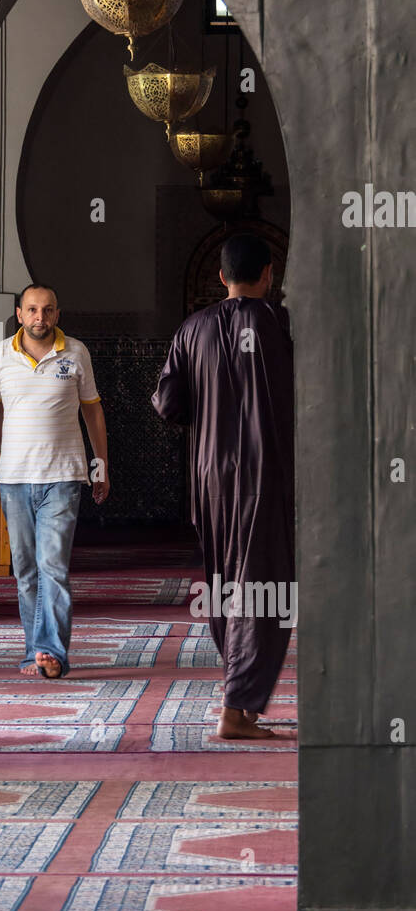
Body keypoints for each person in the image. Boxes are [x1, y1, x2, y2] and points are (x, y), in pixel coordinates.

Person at [152, 233, 294, 740]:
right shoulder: (280, 325)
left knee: (226, 585)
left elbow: (168, 404)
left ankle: (241, 699)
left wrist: (210, 401)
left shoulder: (193, 330)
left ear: (220, 277)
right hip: (266, 475)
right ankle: (235, 710)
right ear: (268, 275)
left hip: (211, 479)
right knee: (264, 589)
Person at [0, 284, 109, 678]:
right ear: (19, 313)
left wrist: (100, 464)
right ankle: (33, 651)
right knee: (25, 571)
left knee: (52, 565)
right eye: (33, 310)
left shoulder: (76, 353)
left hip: (65, 476)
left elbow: (93, 413)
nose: (41, 317)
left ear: (58, 314)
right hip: (14, 480)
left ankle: (52, 652)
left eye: (48, 310)